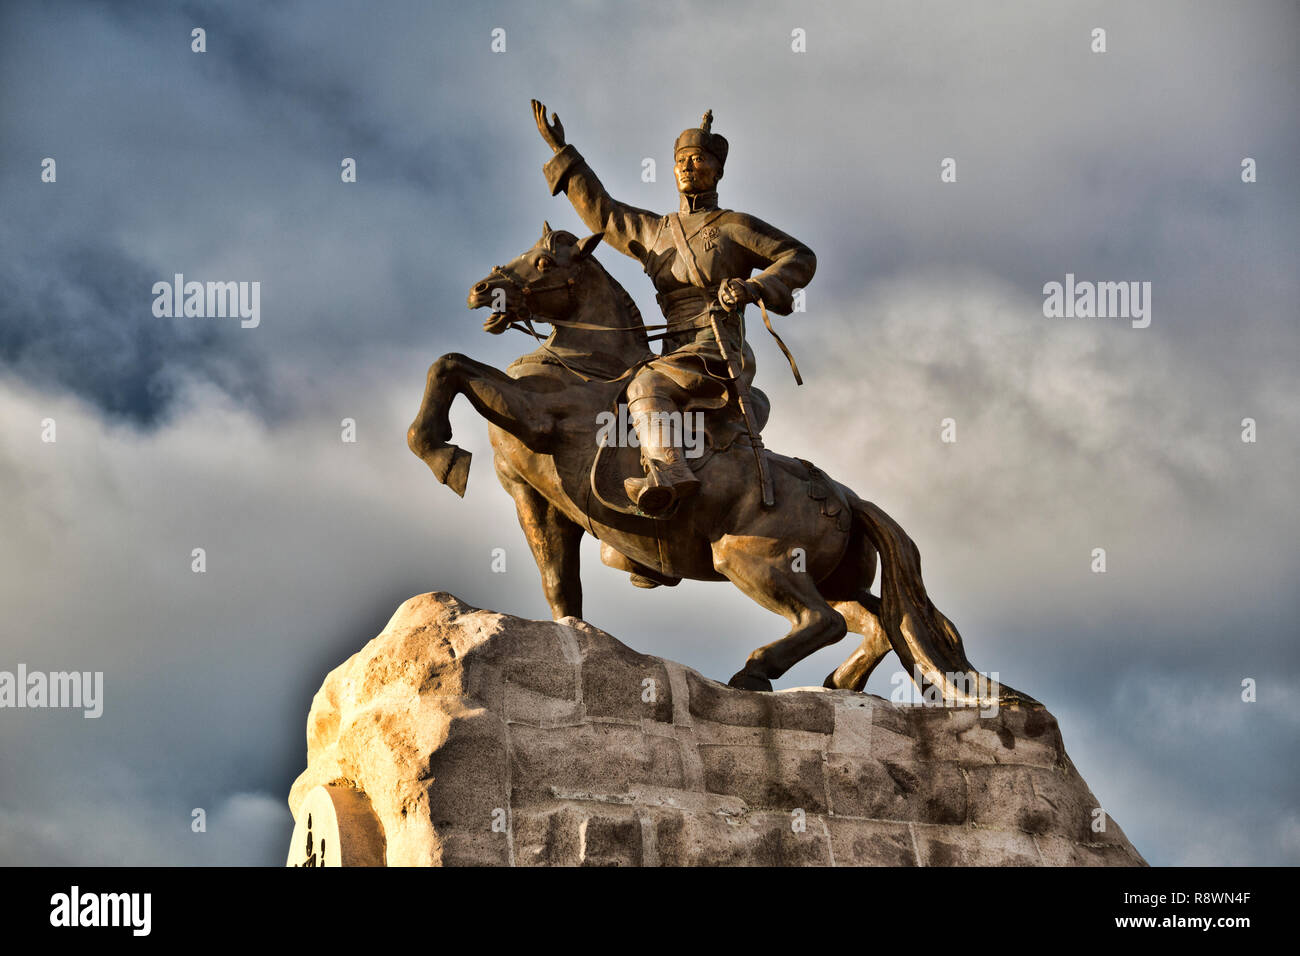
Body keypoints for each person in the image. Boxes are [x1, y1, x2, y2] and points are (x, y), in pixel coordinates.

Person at [532, 100, 815, 515]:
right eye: (680, 160)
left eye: (697, 159)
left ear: (717, 170)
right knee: (610, 401)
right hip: (671, 352)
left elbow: (799, 256)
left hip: (716, 349)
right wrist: (562, 152)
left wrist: (753, 286)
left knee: (645, 387)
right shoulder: (657, 231)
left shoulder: (734, 225)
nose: (686, 167)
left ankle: (670, 473)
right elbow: (605, 214)